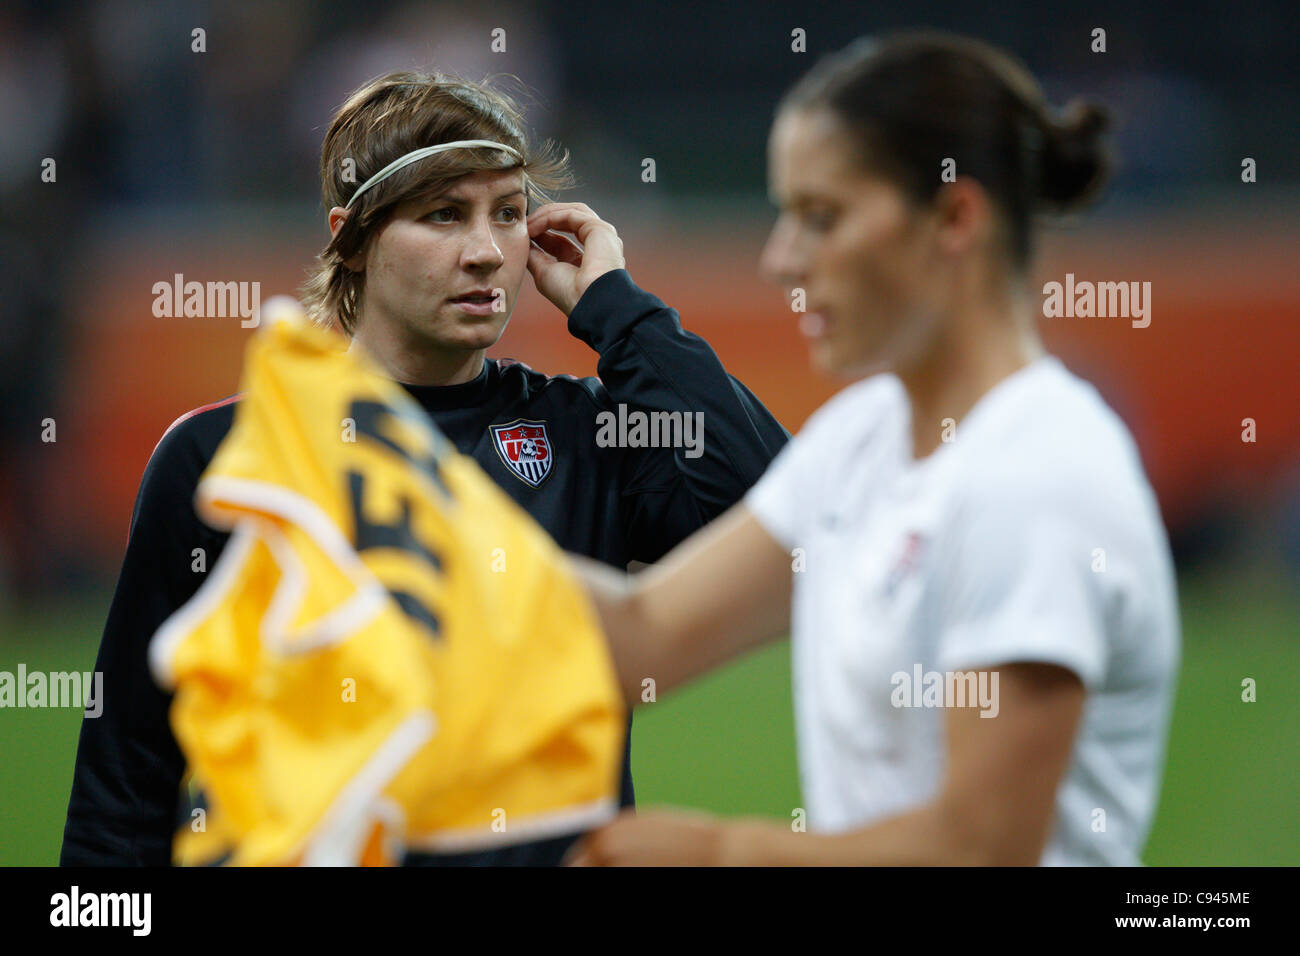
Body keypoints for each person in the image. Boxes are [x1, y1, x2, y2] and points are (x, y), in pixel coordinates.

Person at [61, 70, 788, 866]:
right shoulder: (229, 459)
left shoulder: (582, 432)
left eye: (508, 214)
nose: (485, 252)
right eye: (444, 215)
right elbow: (127, 780)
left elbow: (773, 519)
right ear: (352, 237)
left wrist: (617, 306)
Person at [566, 32, 1180, 866]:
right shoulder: (863, 437)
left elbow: (979, 850)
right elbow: (642, 633)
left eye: (823, 217)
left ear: (955, 217)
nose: (781, 258)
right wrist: (398, 492)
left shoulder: (1038, 472)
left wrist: (715, 852)